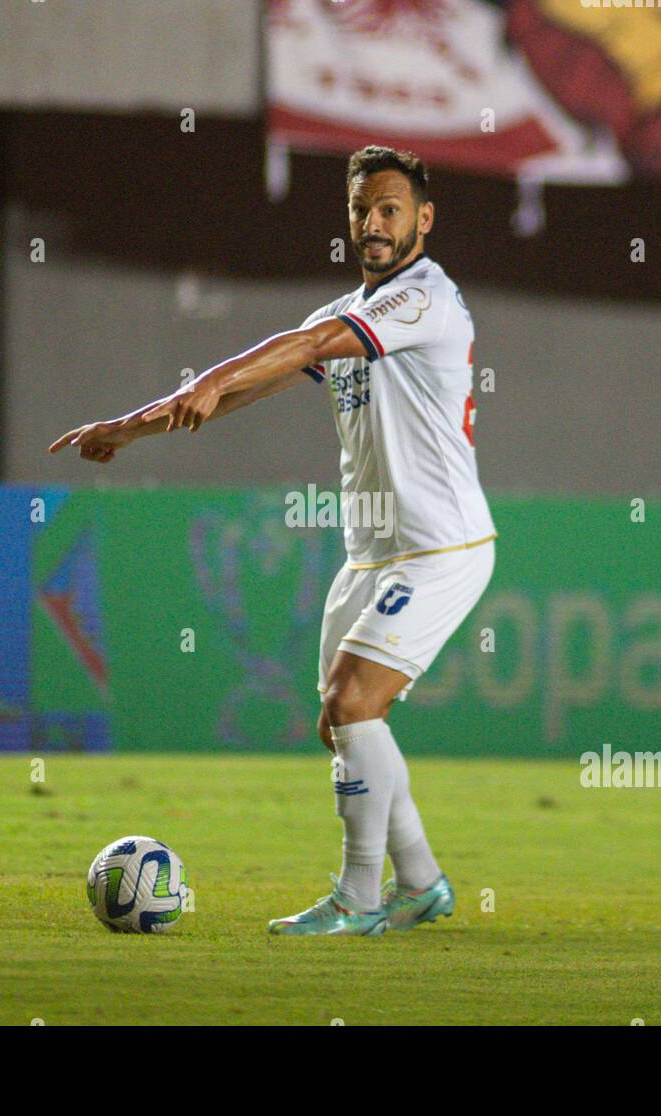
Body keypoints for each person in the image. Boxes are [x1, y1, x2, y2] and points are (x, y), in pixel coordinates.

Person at [52, 146, 494, 936]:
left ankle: (360, 897)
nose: (373, 224)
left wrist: (209, 376)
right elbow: (245, 389)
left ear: (424, 220)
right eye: (361, 209)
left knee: (354, 702)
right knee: (343, 723)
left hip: (440, 547)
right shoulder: (345, 314)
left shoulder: (424, 300)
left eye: (390, 209)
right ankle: (421, 880)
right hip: (371, 553)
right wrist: (132, 428)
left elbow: (304, 349)